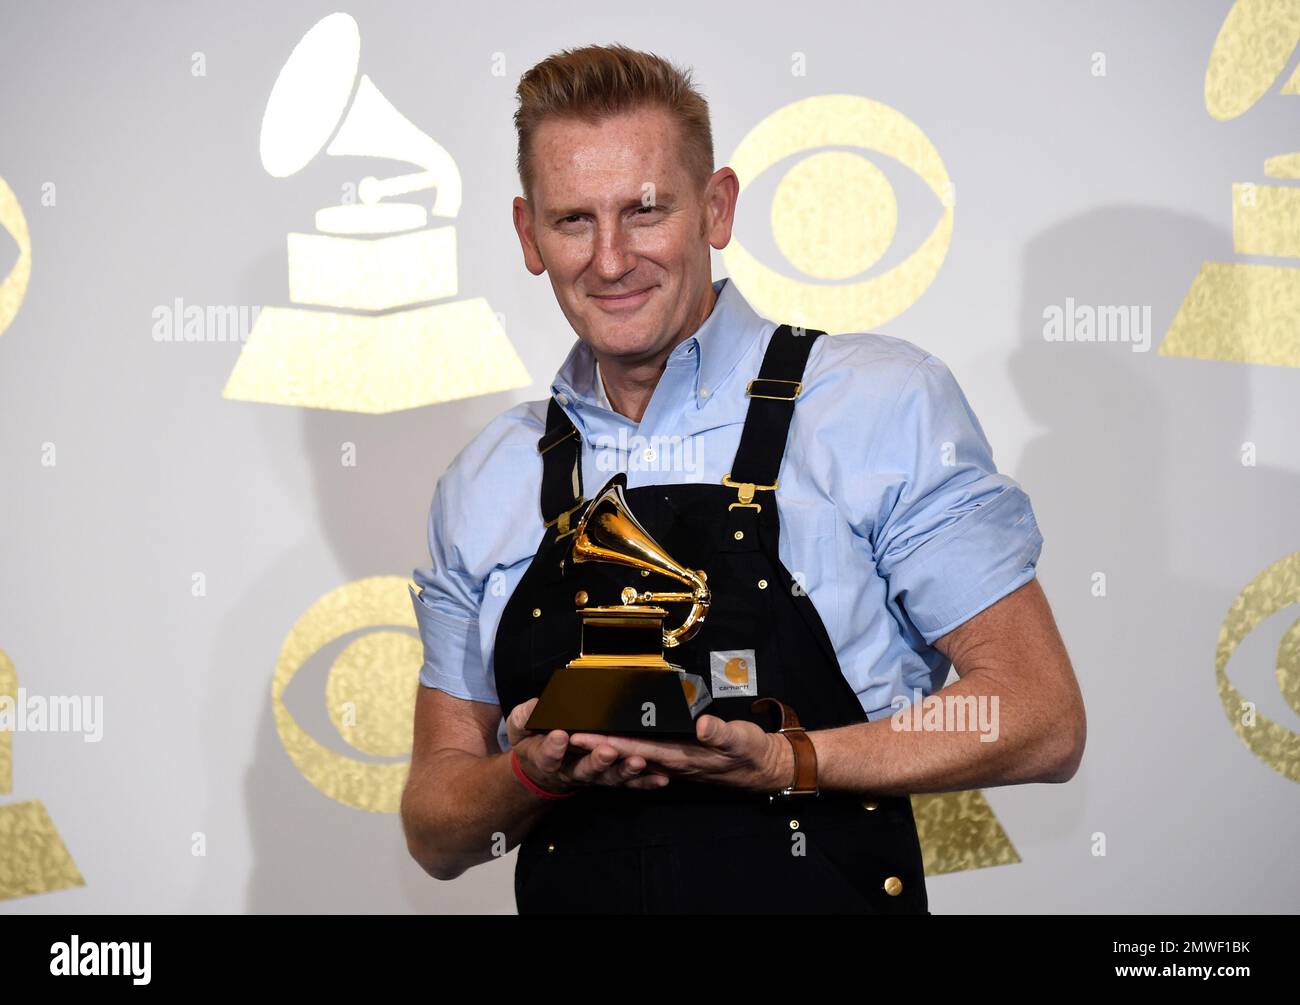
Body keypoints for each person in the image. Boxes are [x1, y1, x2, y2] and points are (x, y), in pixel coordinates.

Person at [400, 43, 1085, 914]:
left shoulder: (877, 403)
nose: (610, 260)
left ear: (715, 209)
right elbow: (435, 825)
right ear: (528, 234)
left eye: (645, 212)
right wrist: (528, 775)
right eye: (573, 219)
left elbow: (1037, 714)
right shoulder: (486, 479)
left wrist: (795, 760)